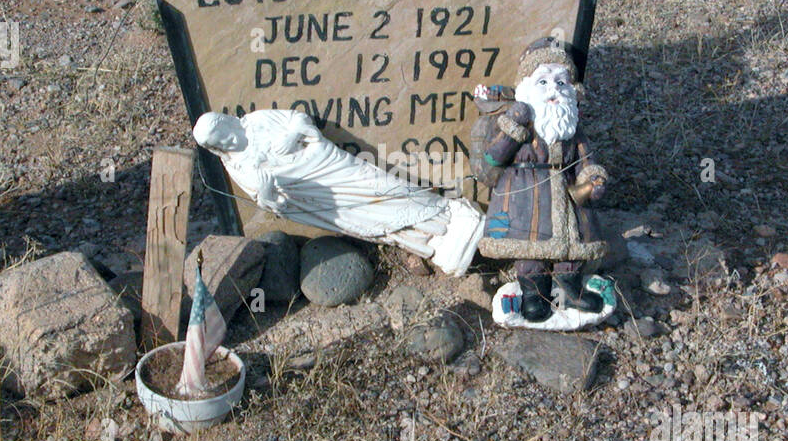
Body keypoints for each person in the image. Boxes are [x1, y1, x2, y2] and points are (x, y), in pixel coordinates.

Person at [194, 107, 484, 277]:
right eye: (223, 144)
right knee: (370, 221)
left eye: (227, 134)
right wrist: (268, 190)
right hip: (319, 199)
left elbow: (298, 119)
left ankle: (448, 215)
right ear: (216, 148)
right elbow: (271, 204)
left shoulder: (258, 121)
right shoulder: (238, 166)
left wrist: (293, 136)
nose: (231, 142)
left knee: (383, 185)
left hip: (329, 165)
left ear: (228, 121)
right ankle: (431, 243)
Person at [475, 37, 608, 322]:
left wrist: (593, 178)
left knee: (572, 248)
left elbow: (587, 160)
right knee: (529, 249)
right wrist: (514, 126)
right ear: (526, 88)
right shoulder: (516, 121)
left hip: (566, 194)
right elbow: (491, 162)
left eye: (561, 83)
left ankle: (571, 288)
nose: (554, 91)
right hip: (523, 199)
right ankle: (534, 293)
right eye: (544, 82)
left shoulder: (572, 128)